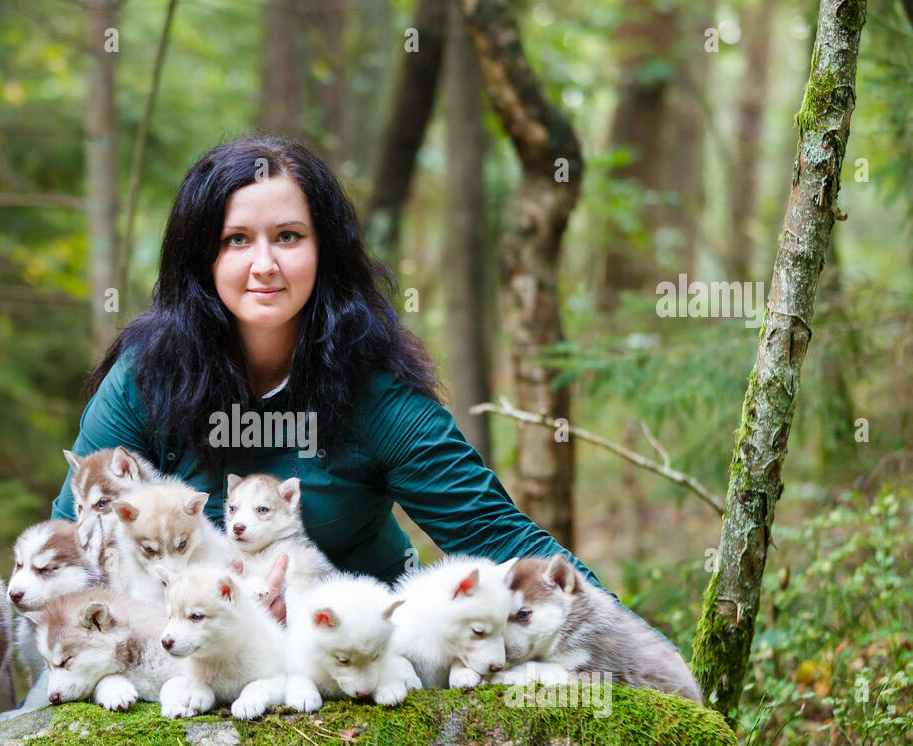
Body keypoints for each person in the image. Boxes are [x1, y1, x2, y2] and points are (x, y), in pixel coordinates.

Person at [49, 133, 610, 614]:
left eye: (288, 236)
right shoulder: (146, 378)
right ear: (201, 258)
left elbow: (497, 536)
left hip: (365, 664)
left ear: (325, 252)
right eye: (236, 239)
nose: (264, 264)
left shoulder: (376, 391)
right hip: (187, 656)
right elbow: (69, 546)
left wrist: (644, 661)